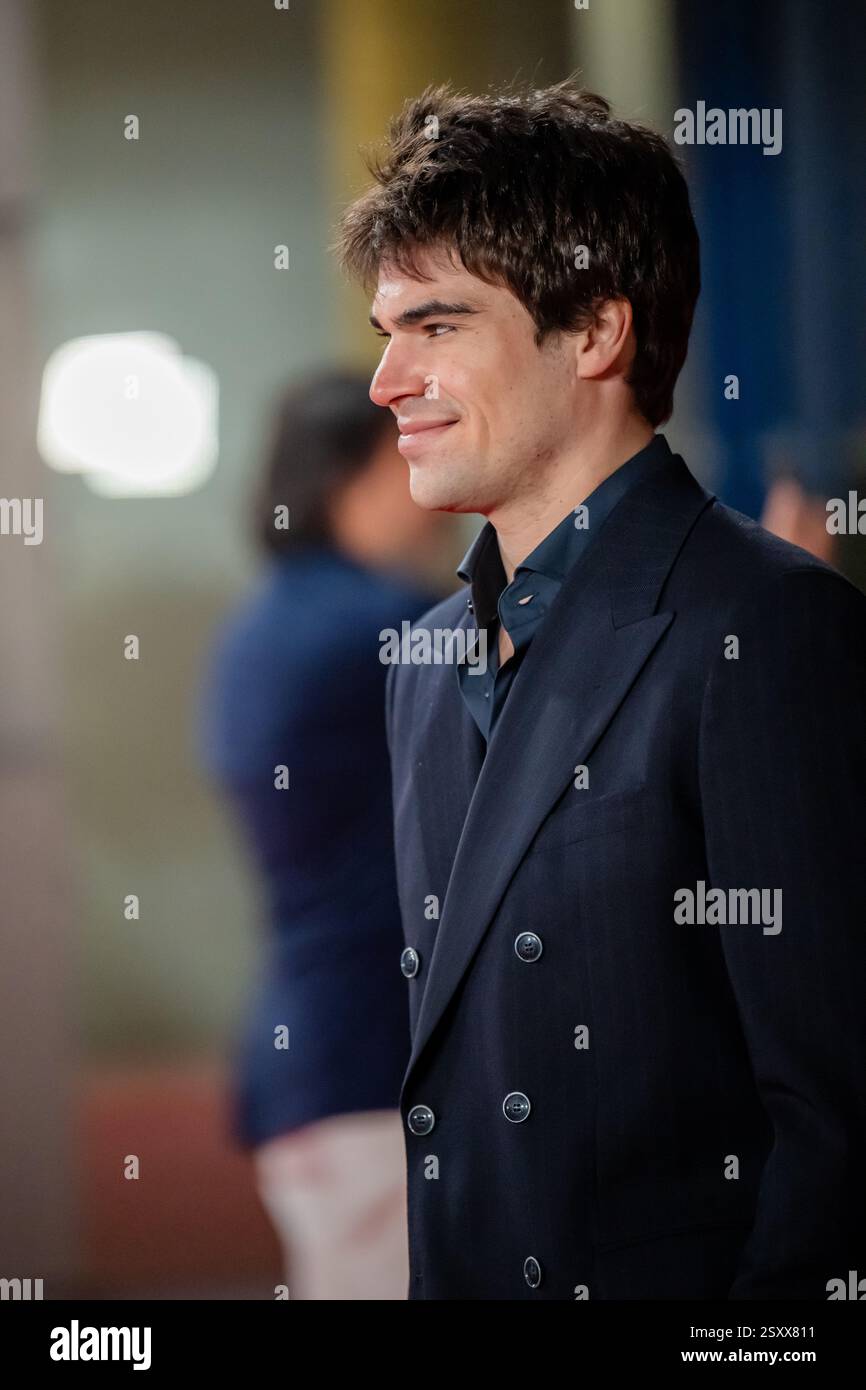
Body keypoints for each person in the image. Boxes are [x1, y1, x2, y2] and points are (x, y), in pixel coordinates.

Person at [333, 78, 866, 1300]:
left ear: (594, 333)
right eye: (385, 333)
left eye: (439, 326)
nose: (386, 382)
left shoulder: (769, 632)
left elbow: (832, 1123)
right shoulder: (424, 663)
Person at [199, 370, 441, 1299]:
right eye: (407, 449)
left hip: (313, 1060)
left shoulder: (256, 628)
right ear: (357, 475)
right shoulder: (381, 625)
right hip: (373, 1064)